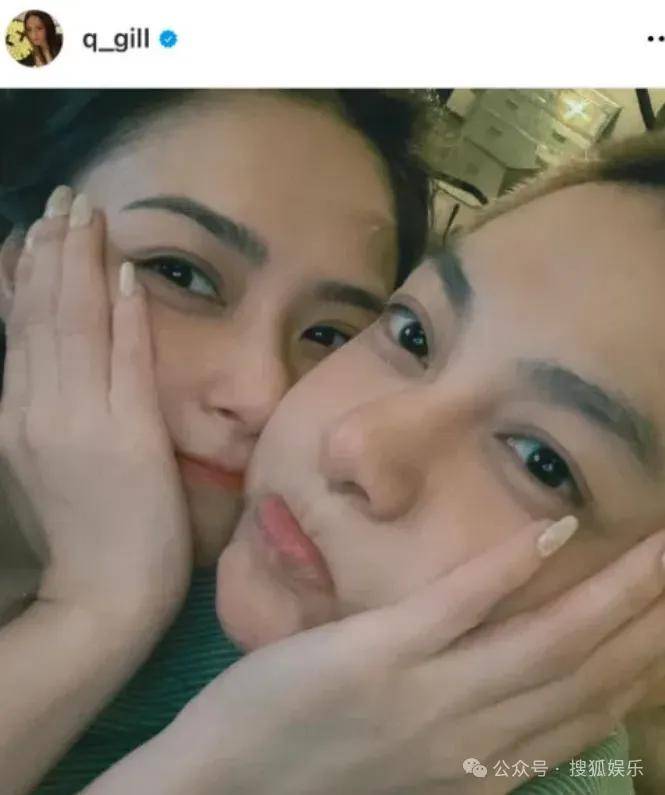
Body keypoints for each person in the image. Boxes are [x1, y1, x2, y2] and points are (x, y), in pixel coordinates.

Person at [74, 130, 665, 794]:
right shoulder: (190, 538)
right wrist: (91, 612)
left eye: (542, 462)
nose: (354, 444)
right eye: (412, 334)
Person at [0, 88, 430, 793]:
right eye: (181, 274)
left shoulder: (316, 662)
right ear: (20, 264)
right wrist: (95, 608)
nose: (262, 393)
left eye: (329, 334)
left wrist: (101, 605)